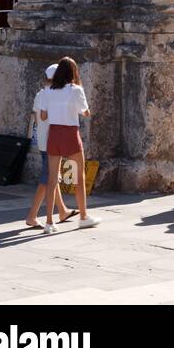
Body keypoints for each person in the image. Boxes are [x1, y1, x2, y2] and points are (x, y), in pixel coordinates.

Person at [41, 57, 98, 232]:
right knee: (79, 177)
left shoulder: (48, 91)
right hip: (70, 133)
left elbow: (43, 116)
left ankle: (49, 222)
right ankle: (83, 216)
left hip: (54, 134)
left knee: (52, 179)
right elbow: (86, 113)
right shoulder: (76, 90)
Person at [25, 63, 75, 230]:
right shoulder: (52, 95)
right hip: (50, 141)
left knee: (53, 176)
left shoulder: (41, 94)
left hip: (43, 139)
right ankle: (32, 215)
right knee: (48, 178)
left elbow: (37, 115)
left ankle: (62, 210)